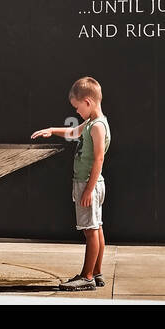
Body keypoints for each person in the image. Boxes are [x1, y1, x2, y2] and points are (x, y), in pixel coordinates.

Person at [31, 76, 111, 291]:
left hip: (89, 184)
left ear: (87, 102)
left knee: (90, 230)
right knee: (97, 228)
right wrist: (52, 130)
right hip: (90, 184)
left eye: (77, 108)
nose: (76, 112)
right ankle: (96, 272)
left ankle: (86, 277)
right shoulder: (93, 122)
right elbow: (74, 132)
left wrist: (88, 188)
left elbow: (99, 159)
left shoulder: (97, 127)